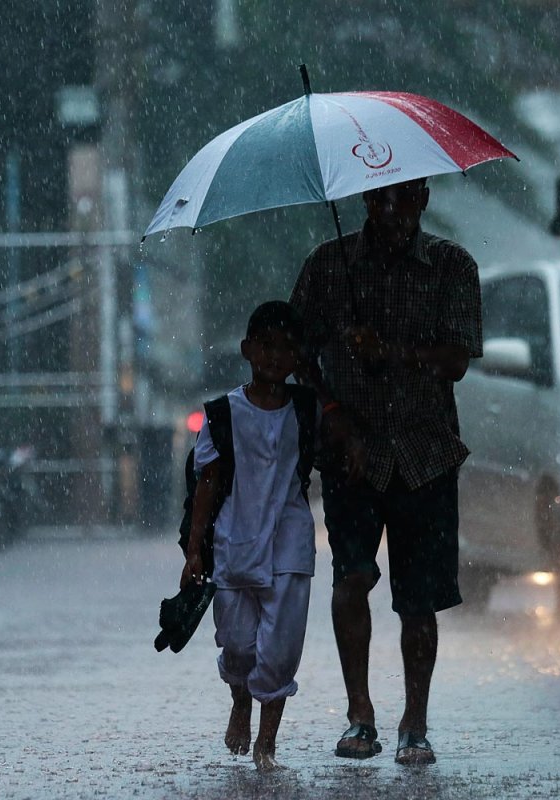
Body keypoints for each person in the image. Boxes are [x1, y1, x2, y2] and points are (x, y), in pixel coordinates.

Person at [289, 177, 482, 766]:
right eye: (379, 198)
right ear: (363, 200)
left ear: (424, 198)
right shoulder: (328, 266)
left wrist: (390, 352)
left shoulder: (452, 266)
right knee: (351, 579)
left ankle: (414, 722)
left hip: (426, 454)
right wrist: (332, 412)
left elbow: (457, 359)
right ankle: (360, 713)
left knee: (418, 600)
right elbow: (296, 351)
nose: (391, 211)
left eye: (403, 198)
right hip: (353, 457)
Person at [182, 300, 321, 772]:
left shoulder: (307, 408)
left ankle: (267, 743)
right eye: (266, 345)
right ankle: (240, 698)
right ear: (247, 349)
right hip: (235, 539)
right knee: (238, 642)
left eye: (286, 348)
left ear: (298, 356)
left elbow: (333, 452)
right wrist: (194, 550)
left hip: (290, 539)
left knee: (280, 648)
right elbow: (207, 482)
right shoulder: (223, 413)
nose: (275, 356)